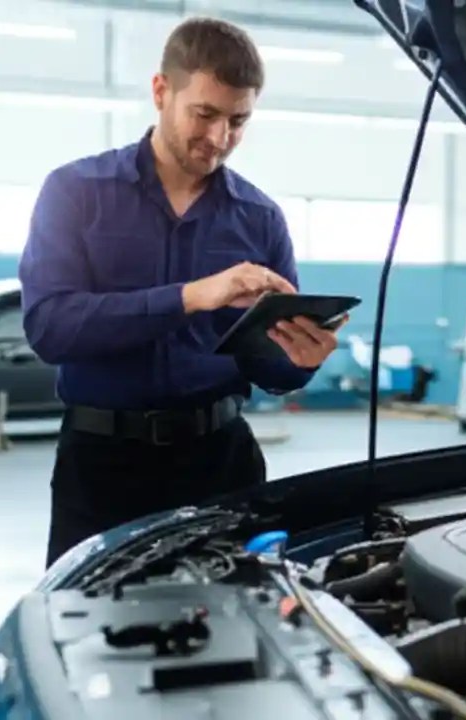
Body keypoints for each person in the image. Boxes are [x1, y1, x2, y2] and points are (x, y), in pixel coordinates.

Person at [20, 16, 345, 568]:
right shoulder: (76, 192)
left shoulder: (260, 218)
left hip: (222, 466)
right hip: (102, 469)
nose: (219, 139)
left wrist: (300, 360)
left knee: (237, 617)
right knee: (90, 620)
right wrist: (191, 296)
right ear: (160, 91)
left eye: (238, 121)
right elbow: (50, 328)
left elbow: (269, 368)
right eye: (205, 114)